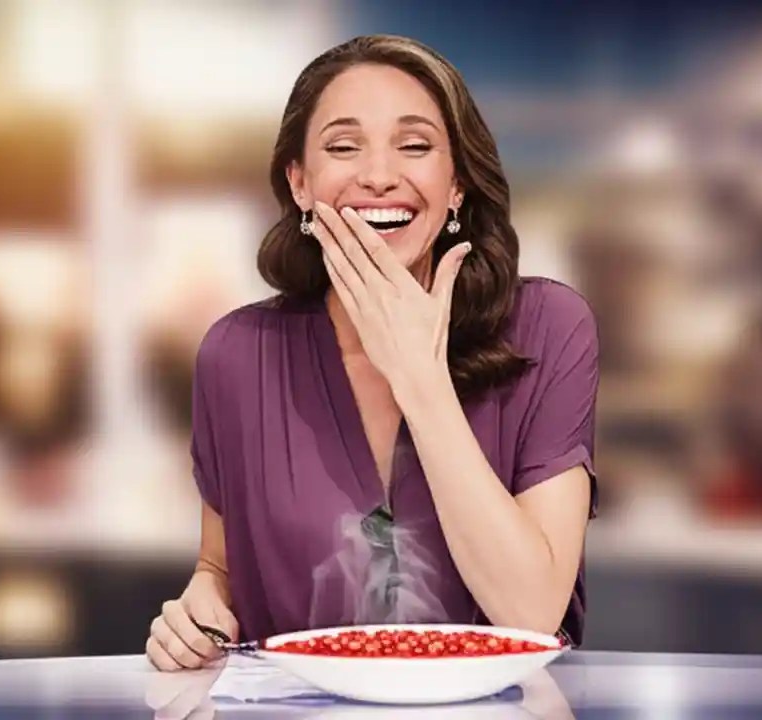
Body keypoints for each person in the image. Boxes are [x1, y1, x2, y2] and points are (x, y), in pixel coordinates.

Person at [146, 35, 599, 671]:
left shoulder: (550, 328)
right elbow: (217, 567)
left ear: (458, 184)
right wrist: (199, 609)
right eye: (342, 146)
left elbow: (529, 613)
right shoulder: (237, 354)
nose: (380, 176)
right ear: (300, 184)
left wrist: (420, 378)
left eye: (414, 146)